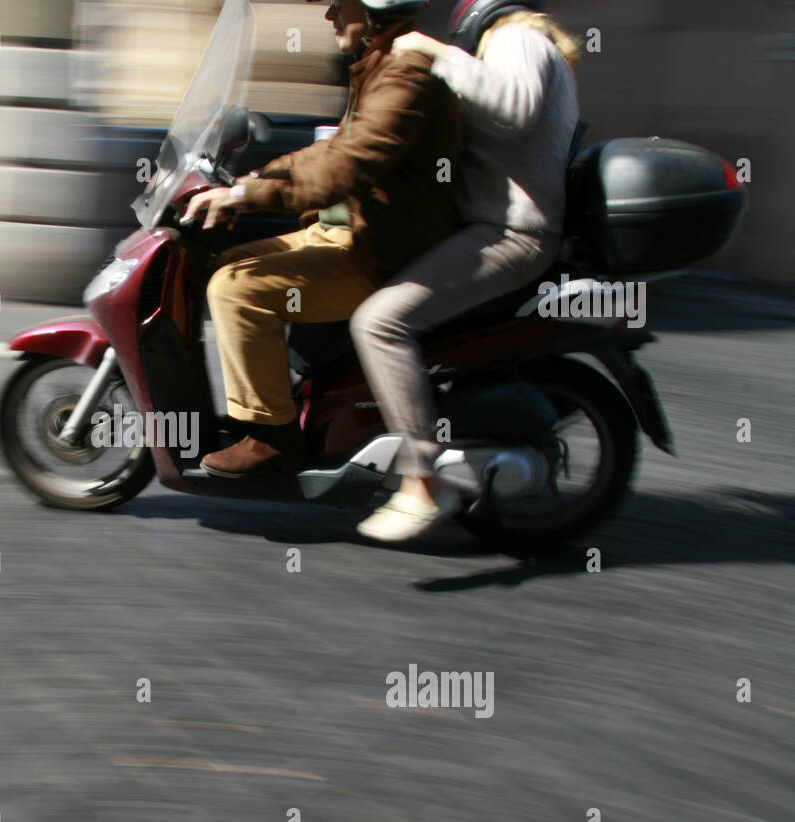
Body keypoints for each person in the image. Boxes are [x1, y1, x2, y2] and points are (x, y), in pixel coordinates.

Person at [181, 0, 463, 479]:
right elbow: (331, 149)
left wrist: (248, 196)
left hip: (381, 252)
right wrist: (248, 180)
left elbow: (344, 167)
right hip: (353, 231)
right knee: (228, 263)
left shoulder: (404, 75)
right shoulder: (378, 64)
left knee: (236, 290)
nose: (330, 14)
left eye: (340, 4)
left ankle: (273, 439)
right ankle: (276, 395)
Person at [352, 0, 581, 542]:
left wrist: (435, 53)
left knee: (380, 323)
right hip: (490, 229)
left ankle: (420, 481)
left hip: (511, 236)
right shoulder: (517, 43)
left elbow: (512, 107)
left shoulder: (517, 39)